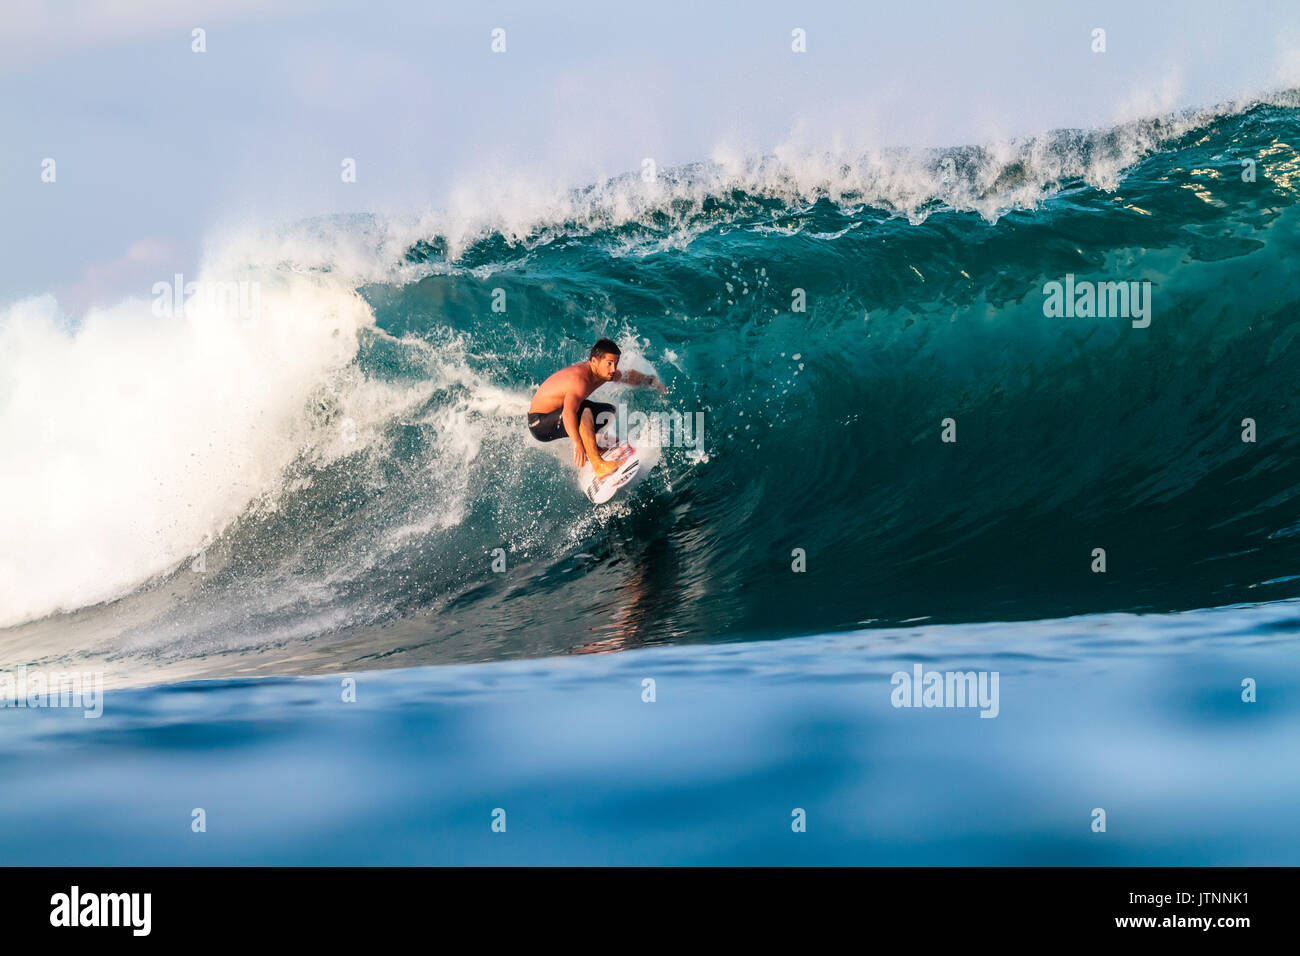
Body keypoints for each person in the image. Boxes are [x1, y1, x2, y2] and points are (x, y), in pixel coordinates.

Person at [527, 338, 666, 480]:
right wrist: (577, 443)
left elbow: (626, 376)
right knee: (583, 412)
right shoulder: (580, 379)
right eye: (609, 363)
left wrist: (651, 381)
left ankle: (593, 446)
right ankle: (598, 465)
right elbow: (568, 413)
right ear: (594, 361)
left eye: (615, 363)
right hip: (539, 423)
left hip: (557, 414)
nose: (613, 369)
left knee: (607, 412)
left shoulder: (604, 372)